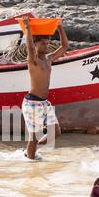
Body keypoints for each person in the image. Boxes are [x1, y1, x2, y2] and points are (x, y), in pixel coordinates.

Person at [20, 16, 69, 161]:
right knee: (33, 137)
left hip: (44, 103)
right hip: (32, 102)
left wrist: (60, 26)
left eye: (47, 43)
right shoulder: (33, 61)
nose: (46, 46)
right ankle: (30, 162)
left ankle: (30, 151)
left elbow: (65, 46)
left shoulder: (49, 59)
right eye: (43, 43)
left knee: (56, 132)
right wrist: (28, 27)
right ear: (36, 45)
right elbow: (29, 46)